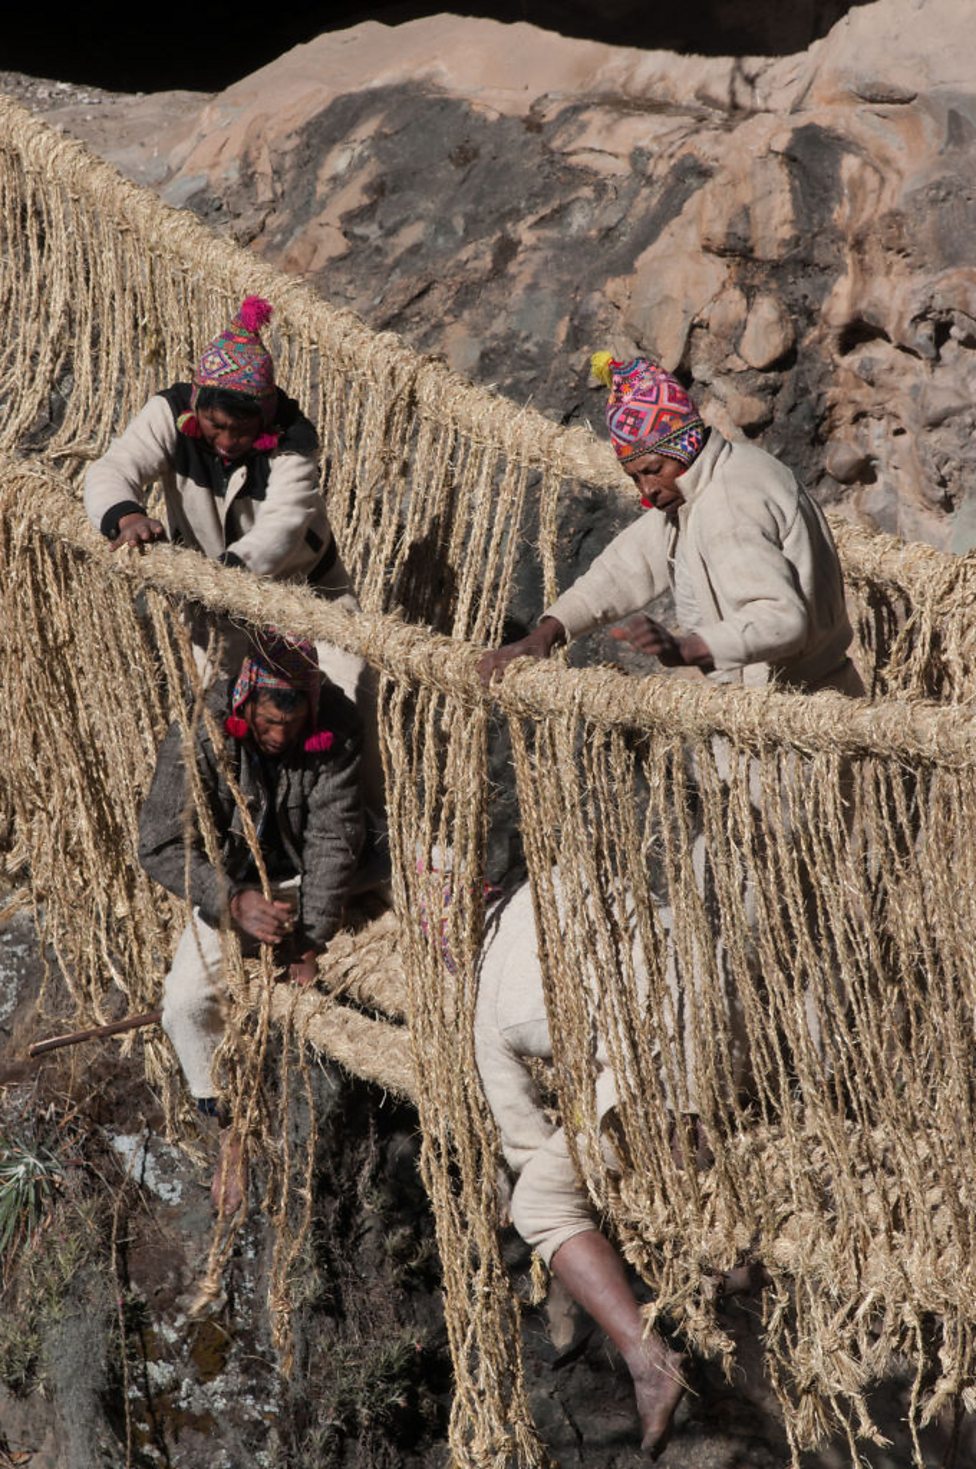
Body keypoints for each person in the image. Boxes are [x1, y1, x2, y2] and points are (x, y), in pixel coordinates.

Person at [84, 292, 385, 817]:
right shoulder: (169, 413)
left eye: (240, 431)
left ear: (265, 419)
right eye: (214, 426)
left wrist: (223, 578)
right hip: (214, 601)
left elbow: (281, 531)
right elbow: (112, 470)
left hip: (308, 595)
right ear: (196, 408)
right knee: (223, 717)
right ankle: (249, 840)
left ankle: (360, 839)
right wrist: (127, 516)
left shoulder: (294, 444)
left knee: (346, 701)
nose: (225, 442)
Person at [474, 877, 734, 1460]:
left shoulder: (483, 1001)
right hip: (729, 1007)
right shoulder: (551, 879)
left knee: (539, 1203)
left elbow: (523, 1142)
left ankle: (650, 1363)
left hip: (665, 1087)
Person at [478, 353, 864, 699]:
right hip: (799, 708)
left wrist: (687, 649)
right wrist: (549, 632)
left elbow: (782, 619)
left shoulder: (726, 505)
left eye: (654, 470)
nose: (648, 489)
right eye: (635, 478)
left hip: (799, 720)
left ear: (685, 445)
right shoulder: (711, 481)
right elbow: (629, 565)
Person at [138, 634, 364, 1214]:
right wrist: (233, 902)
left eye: (291, 727)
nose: (277, 738)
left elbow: (334, 839)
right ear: (242, 706)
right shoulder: (200, 732)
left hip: (304, 883)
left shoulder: (336, 729)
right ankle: (230, 1129)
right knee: (185, 1004)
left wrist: (309, 936)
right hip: (229, 884)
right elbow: (161, 844)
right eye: (266, 724)